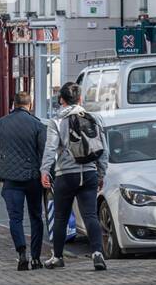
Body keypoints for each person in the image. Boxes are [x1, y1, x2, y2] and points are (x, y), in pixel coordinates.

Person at [40, 81, 109, 270]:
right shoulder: (94, 118)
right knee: (90, 215)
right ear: (80, 99)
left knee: (61, 217)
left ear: (61, 100)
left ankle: (58, 257)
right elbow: (104, 149)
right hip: (89, 173)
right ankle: (97, 253)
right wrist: (101, 173)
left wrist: (45, 170)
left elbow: (51, 149)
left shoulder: (56, 121)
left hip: (66, 175)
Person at [0, 90, 47, 271]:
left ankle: (21, 252)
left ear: (13, 105)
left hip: (11, 179)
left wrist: (0, 173)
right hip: (33, 179)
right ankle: (36, 257)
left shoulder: (1, 124)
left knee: (15, 218)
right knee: (36, 217)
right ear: (29, 105)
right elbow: (44, 153)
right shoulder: (38, 125)